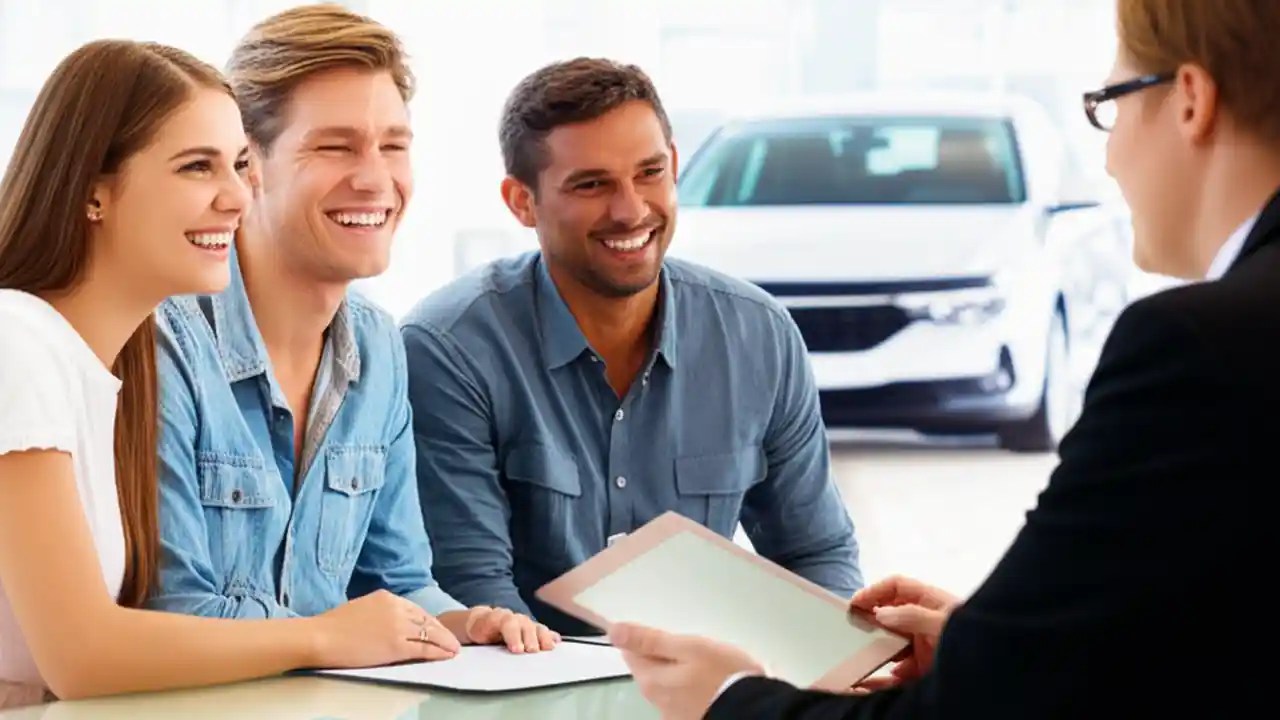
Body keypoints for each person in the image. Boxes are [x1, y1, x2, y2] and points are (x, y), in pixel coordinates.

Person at [609, 1, 1279, 717]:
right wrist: (1000, 645)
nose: (1109, 158)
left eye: (1107, 107)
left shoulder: (1194, 348)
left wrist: (727, 696)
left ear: (1190, 101)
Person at [0, 39, 451, 707]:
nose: (239, 196)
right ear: (93, 194)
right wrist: (326, 635)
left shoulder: (98, 372)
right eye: (196, 168)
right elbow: (82, 656)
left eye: (239, 166)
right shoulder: (18, 339)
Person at [400, 57, 862, 636]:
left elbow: (816, 555)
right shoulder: (448, 350)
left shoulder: (758, 334)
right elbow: (474, 589)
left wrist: (823, 668)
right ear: (522, 202)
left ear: (672, 165)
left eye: (648, 173)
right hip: (533, 689)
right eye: (591, 184)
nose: (631, 210)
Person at [148, 4, 557, 655]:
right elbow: (171, 608)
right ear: (247, 165)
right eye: (335, 146)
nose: (375, 179)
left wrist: (463, 625)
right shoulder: (162, 339)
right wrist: (331, 636)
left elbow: (395, 585)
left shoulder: (377, 345)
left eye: (393, 145)